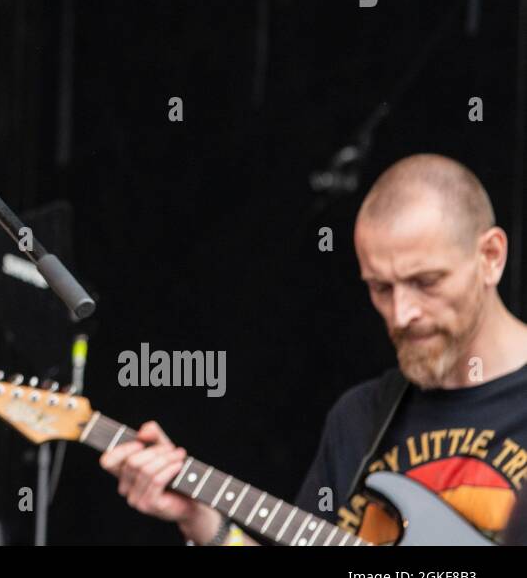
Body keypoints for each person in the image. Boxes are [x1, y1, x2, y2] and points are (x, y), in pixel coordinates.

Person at [100, 154, 527, 545]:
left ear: (490, 256)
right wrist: (205, 524)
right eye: (380, 288)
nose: (401, 313)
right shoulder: (360, 418)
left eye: (426, 282)